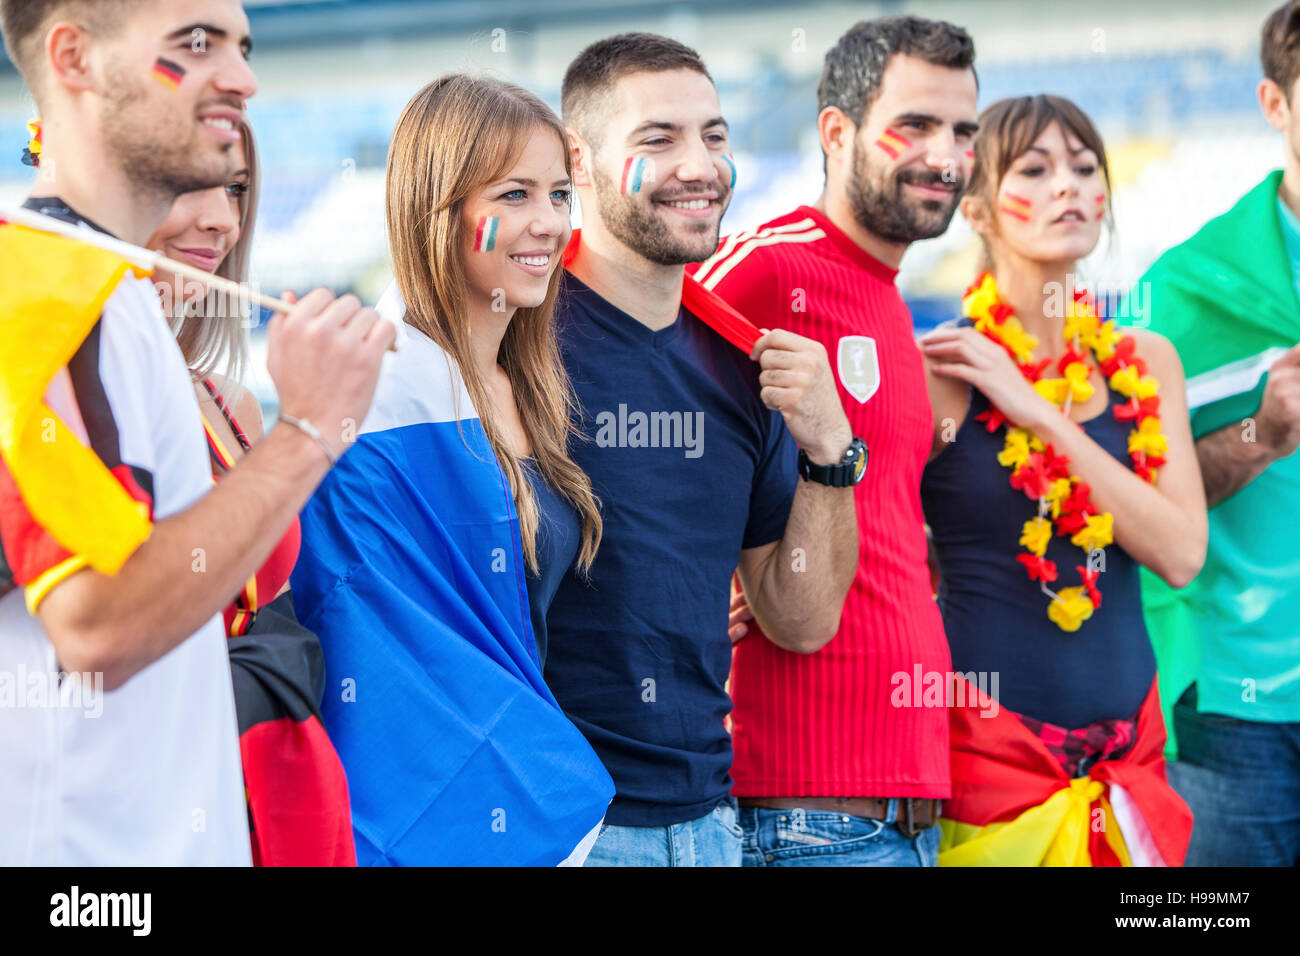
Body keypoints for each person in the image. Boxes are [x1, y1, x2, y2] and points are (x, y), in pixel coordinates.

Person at [0, 0, 392, 865]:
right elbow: (97, 626)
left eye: (243, 48)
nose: (243, 78)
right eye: (196, 44)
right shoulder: (37, 289)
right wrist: (311, 427)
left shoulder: (109, 292)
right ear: (72, 58)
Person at [548, 32, 862, 867]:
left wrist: (832, 451)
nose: (700, 165)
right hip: (563, 826)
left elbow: (800, 618)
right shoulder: (518, 342)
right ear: (578, 161)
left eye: (714, 136)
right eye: (659, 139)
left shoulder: (742, 362)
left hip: (709, 822)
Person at [289, 74, 615, 866]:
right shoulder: (381, 397)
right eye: (514, 194)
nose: (548, 223)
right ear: (439, 209)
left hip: (539, 792)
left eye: (560, 194)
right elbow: (363, 636)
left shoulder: (533, 383)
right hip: (468, 818)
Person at [694, 14, 975, 867]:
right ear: (836, 131)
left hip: (903, 805)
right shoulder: (767, 268)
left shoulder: (891, 296)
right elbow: (625, 413)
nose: (947, 156)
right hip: (807, 809)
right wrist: (704, 581)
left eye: (964, 131)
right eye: (916, 125)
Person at [918, 94, 1205, 865]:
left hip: (1131, 763)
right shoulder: (942, 371)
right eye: (1036, 170)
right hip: (987, 766)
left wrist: (1041, 416)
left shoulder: (1145, 363)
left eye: (1084, 168)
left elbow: (1179, 551)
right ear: (975, 208)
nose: (1068, 187)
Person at [143, 117, 355, 866]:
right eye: (188, 184)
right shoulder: (48, 384)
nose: (224, 220)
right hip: (150, 806)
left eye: (235, 190)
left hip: (273, 789)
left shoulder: (227, 400)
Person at [1136, 0, 1300, 866]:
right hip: (1240, 704)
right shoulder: (1189, 290)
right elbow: (1142, 503)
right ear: (1275, 104)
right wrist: (1263, 432)